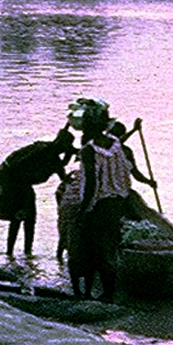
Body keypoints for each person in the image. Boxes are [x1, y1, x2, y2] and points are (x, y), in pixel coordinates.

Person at [70, 103, 155, 300]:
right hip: (117, 203)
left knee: (96, 250)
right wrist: (134, 129)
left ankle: (101, 294)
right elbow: (127, 173)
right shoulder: (116, 145)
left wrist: (83, 210)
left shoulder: (89, 150)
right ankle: (108, 292)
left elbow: (91, 184)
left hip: (100, 206)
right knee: (108, 247)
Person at [0, 127, 76, 257]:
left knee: (27, 217)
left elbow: (62, 173)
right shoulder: (43, 150)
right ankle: (15, 251)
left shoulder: (52, 155)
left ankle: (24, 252)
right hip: (14, 182)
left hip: (20, 183)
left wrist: (70, 155)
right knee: (20, 216)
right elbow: (16, 166)